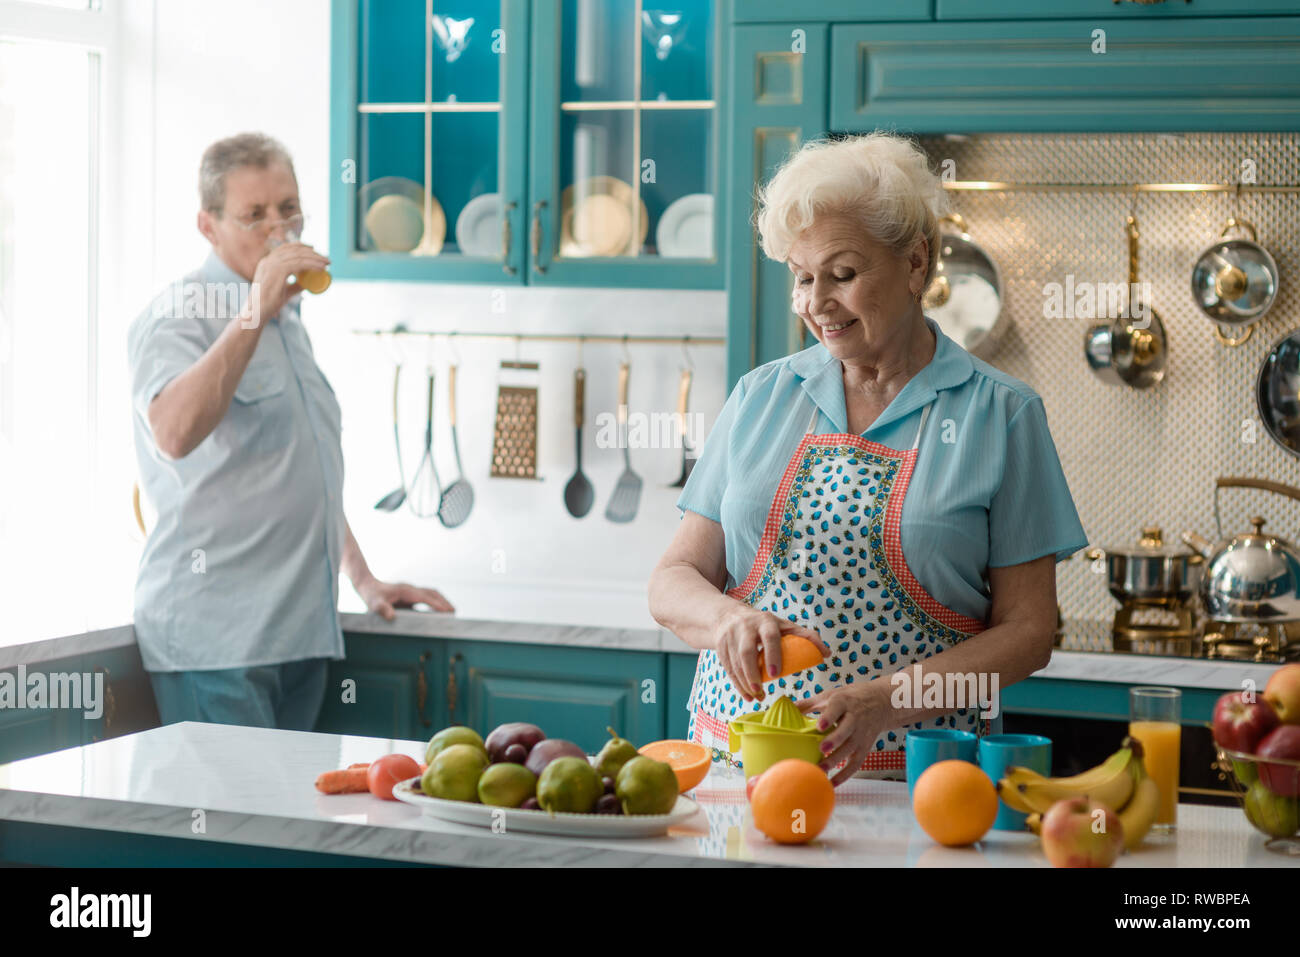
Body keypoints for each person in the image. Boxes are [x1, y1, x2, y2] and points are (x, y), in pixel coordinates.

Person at [648, 132, 1088, 785]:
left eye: (842, 274)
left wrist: (887, 700)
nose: (815, 302)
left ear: (916, 263)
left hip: (917, 783)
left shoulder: (1001, 413)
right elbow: (674, 577)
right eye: (801, 278)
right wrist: (726, 619)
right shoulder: (760, 397)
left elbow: (1028, 631)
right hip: (732, 773)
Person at [128, 132, 453, 730]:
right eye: (255, 215)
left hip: (301, 634)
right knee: (229, 825)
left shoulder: (286, 320)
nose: (279, 229)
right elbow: (172, 434)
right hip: (217, 641)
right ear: (208, 226)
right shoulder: (183, 313)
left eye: (289, 209)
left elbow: (302, 473)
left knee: (285, 825)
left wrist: (362, 576)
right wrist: (254, 308)